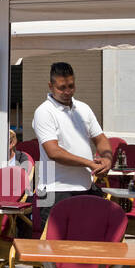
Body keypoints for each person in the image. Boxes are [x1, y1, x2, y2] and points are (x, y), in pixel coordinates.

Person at [31, 61, 112, 215]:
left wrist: (107, 159)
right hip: (54, 190)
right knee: (54, 239)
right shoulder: (44, 111)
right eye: (62, 87)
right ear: (50, 86)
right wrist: (89, 163)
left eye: (71, 86)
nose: (68, 91)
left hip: (85, 187)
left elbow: (100, 139)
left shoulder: (84, 108)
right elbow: (53, 152)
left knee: (87, 238)